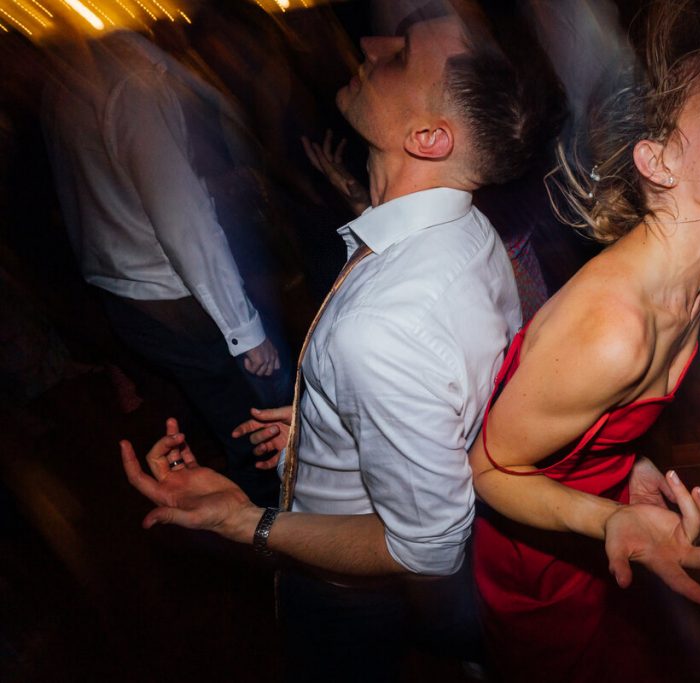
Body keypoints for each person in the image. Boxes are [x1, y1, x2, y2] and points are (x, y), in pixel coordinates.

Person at [120, 7, 554, 681]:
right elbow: (457, 394)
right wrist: (335, 420)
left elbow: (427, 547)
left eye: (403, 54)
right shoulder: (469, 237)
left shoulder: (381, 326)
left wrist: (248, 523)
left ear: (430, 137)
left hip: (339, 595)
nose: (370, 44)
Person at [468, 2, 700, 680]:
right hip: (538, 560)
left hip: (584, 521)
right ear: (660, 160)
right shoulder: (616, 328)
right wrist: (605, 517)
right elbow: (486, 469)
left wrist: (627, 471)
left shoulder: (689, 293)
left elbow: (598, 422)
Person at [42, 28, 290, 506]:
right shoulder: (131, 83)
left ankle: (271, 515)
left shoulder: (68, 81)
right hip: (171, 294)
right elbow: (181, 218)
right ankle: (293, 530)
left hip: (125, 291)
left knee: (224, 415)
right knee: (261, 424)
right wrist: (244, 330)